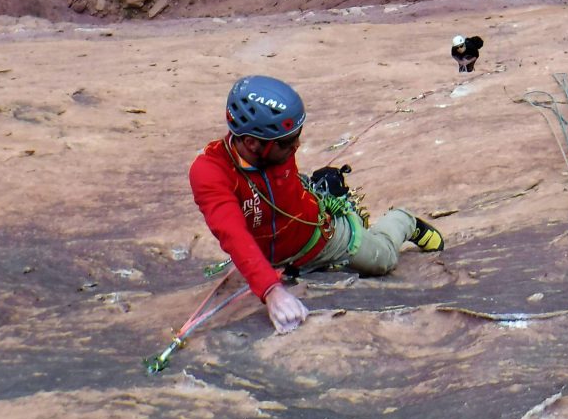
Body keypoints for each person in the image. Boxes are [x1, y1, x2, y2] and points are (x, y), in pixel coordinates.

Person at [189, 75, 445, 334]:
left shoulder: (274, 146)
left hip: (320, 238)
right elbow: (233, 234)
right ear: (251, 142)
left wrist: (270, 287)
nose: (297, 145)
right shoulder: (210, 172)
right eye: (288, 142)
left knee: (383, 259)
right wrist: (271, 291)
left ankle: (404, 220)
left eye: (297, 135)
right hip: (278, 255)